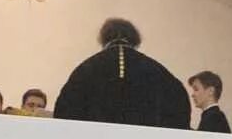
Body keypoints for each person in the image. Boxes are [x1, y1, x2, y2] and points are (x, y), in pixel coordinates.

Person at [55, 17, 191, 128]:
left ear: (104, 38)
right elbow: (178, 110)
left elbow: (65, 112)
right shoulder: (158, 72)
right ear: (135, 39)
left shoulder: (86, 70)